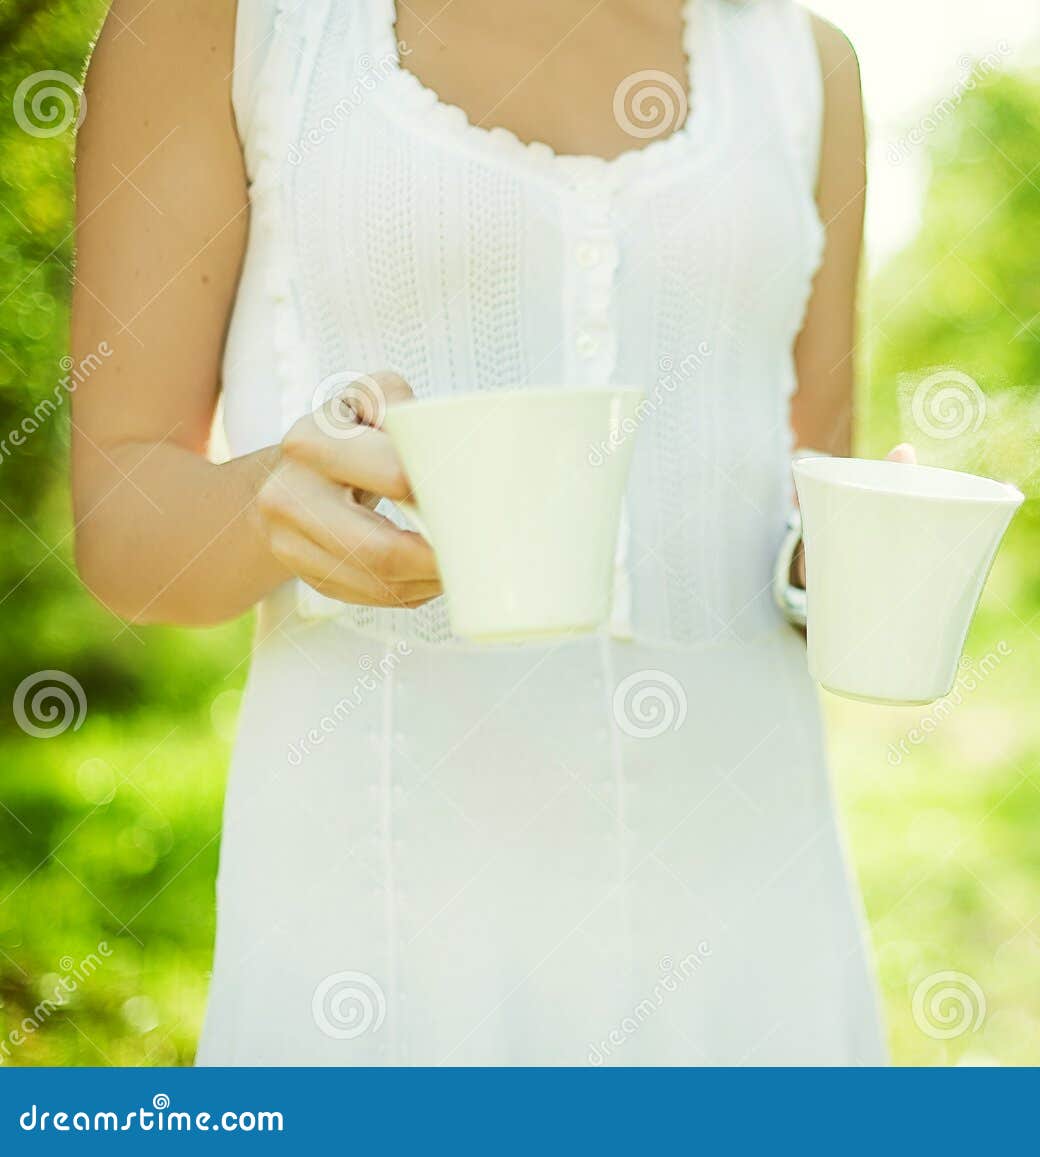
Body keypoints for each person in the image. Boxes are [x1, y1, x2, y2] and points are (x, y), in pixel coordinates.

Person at [71, 0, 888, 1064]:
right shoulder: (225, 24)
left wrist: (871, 555)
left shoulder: (804, 64)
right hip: (385, 925)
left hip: (752, 911)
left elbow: (804, 495)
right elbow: (122, 524)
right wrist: (275, 498)